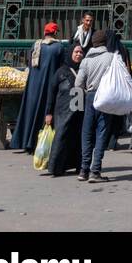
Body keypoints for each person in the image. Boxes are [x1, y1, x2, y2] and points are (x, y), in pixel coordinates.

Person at [11, 23, 65, 153]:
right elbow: (61, 67)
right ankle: (37, 142)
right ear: (55, 33)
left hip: (33, 85)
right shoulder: (59, 47)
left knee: (29, 111)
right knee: (44, 111)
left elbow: (30, 63)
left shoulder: (36, 45)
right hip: (48, 85)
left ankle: (24, 141)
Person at [74, 30, 116, 182]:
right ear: (105, 42)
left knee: (86, 133)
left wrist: (78, 103)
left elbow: (77, 84)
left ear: (93, 43)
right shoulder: (112, 58)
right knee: (101, 134)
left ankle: (83, 170)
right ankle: (95, 171)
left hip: (89, 96)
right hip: (105, 97)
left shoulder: (85, 60)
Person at [42, 43, 85, 177]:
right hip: (63, 110)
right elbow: (51, 92)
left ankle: (78, 166)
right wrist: (48, 112)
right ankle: (56, 167)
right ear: (70, 53)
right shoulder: (61, 71)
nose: (78, 54)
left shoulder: (84, 70)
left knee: (77, 139)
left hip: (79, 109)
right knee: (61, 136)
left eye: (80, 52)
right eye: (76, 52)